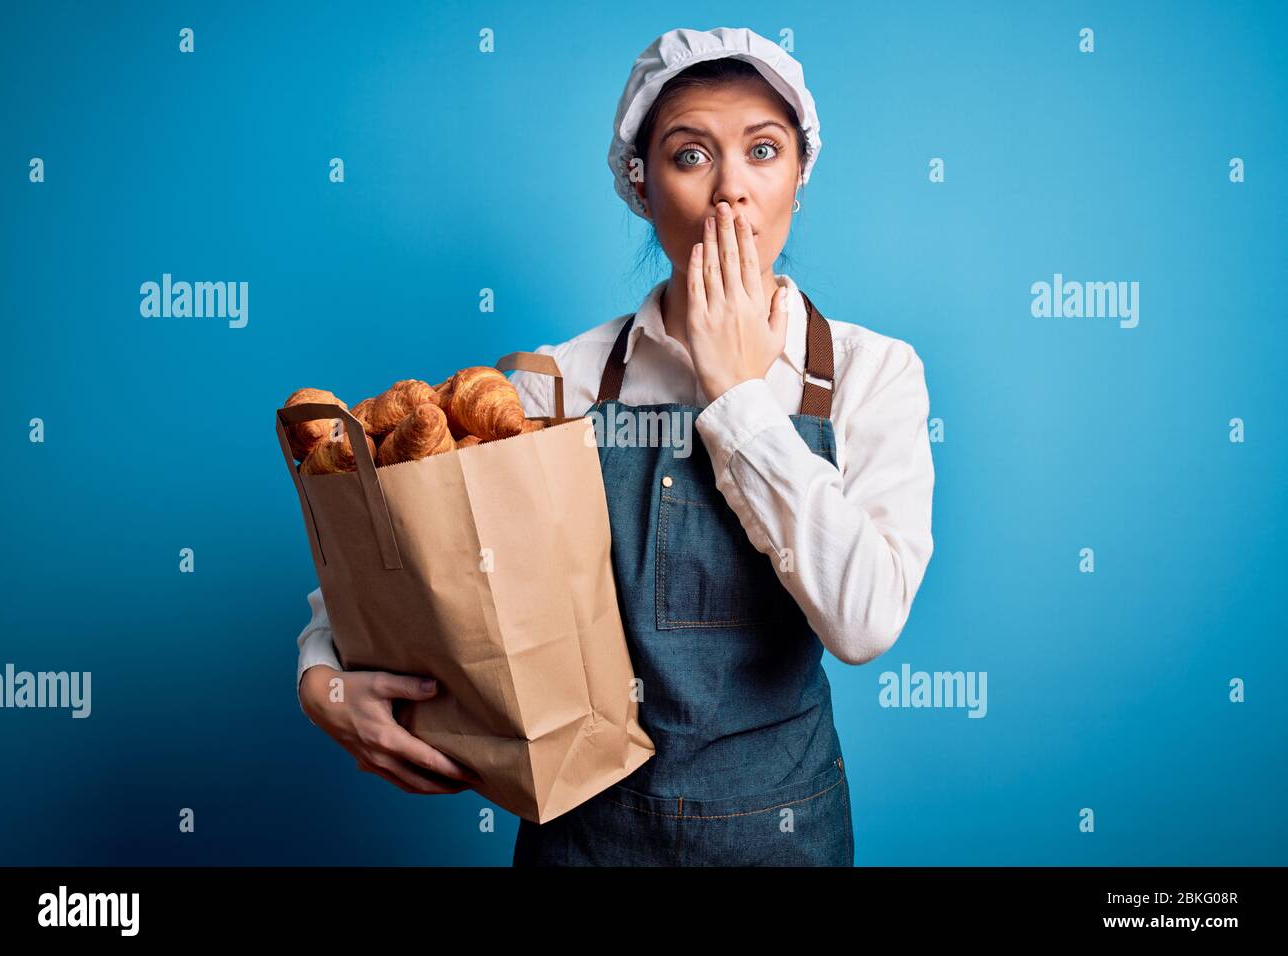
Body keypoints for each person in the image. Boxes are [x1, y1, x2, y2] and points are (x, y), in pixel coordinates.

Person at [296, 26, 935, 866]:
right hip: (582, 837)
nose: (730, 193)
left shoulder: (869, 372)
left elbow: (864, 620)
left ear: (800, 177)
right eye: (691, 155)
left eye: (763, 151)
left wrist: (739, 395)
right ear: (641, 186)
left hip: (780, 835)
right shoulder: (559, 382)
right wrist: (321, 679)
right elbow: (422, 568)